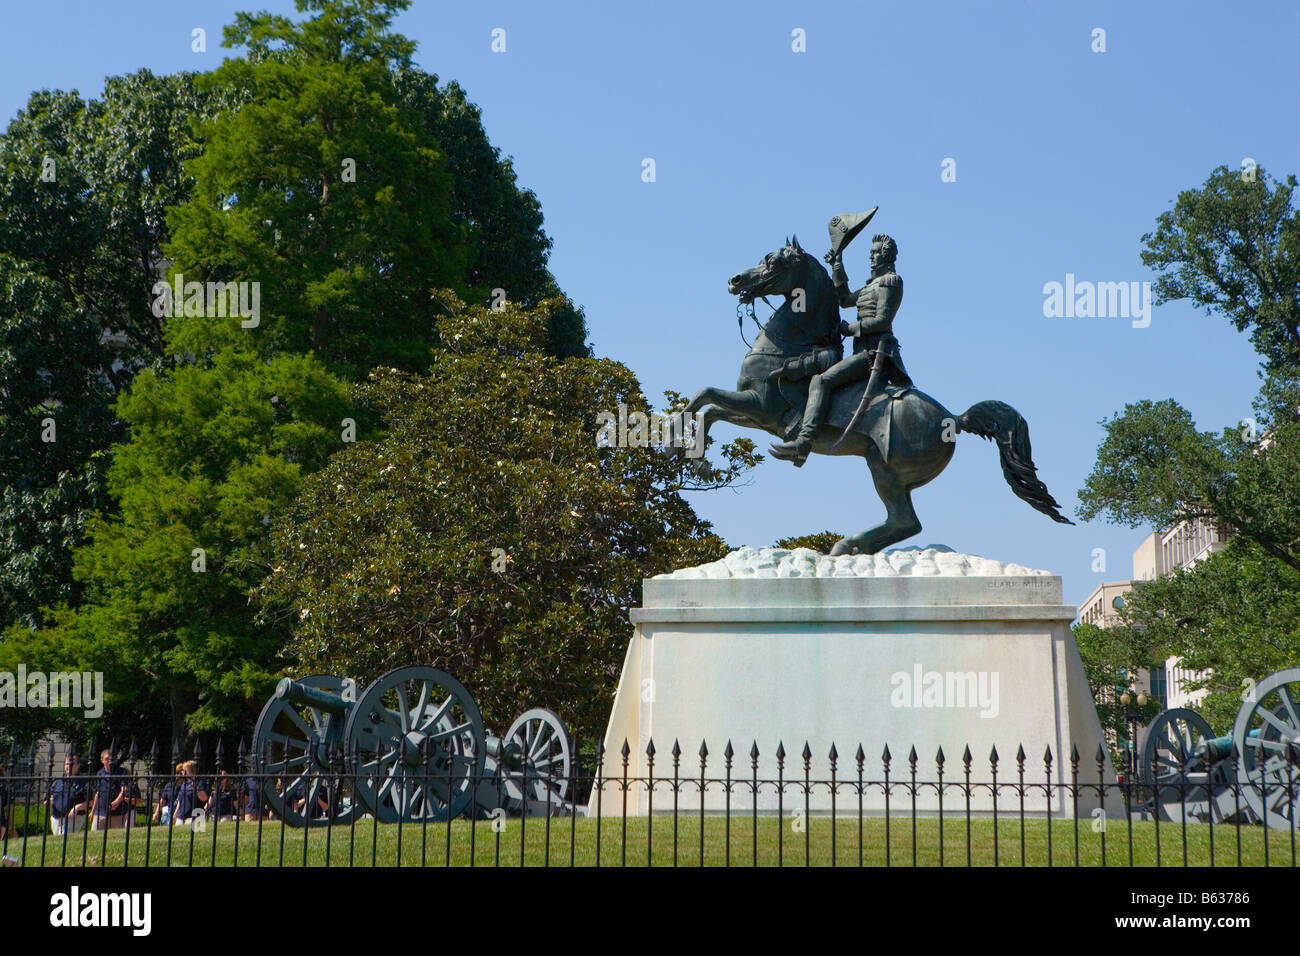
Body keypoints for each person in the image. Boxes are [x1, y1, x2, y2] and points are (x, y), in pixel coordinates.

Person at [769, 233, 912, 466]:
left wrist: (850, 328)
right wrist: (837, 265)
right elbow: (844, 299)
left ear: (887, 255)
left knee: (822, 381)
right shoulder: (871, 285)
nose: (872, 258)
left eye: (876, 253)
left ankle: (803, 443)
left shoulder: (891, 281)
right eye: (871, 253)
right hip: (862, 352)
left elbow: (883, 321)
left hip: (875, 354)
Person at [89, 749, 136, 831]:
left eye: (111, 759)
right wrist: (93, 811)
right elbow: (98, 793)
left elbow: (124, 789)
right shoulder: (100, 773)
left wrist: (117, 801)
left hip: (116, 813)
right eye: (107, 759)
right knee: (94, 833)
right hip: (100, 812)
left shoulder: (121, 771)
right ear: (102, 760)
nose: (109, 761)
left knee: (114, 837)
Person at [48, 754, 88, 835]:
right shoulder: (58, 781)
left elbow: (91, 802)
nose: (69, 766)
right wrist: (50, 802)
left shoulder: (83, 782)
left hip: (73, 818)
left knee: (64, 839)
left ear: (78, 765)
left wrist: (77, 807)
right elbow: (50, 797)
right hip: (56, 818)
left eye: (72, 764)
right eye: (67, 764)